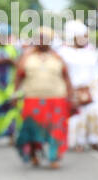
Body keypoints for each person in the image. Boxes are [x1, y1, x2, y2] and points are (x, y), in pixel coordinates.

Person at [13, 27, 76, 168]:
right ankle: (34, 154)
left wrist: (71, 97)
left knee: (56, 128)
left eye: (45, 39)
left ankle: (54, 157)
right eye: (39, 39)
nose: (42, 42)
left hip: (56, 99)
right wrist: (15, 94)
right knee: (32, 129)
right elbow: (18, 78)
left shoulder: (57, 58)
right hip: (32, 99)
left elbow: (66, 78)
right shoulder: (26, 58)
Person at [58, 20, 98, 151]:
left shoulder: (91, 52)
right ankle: (77, 143)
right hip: (72, 88)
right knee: (76, 117)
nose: (85, 38)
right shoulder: (63, 52)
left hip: (92, 89)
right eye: (82, 36)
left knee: (96, 113)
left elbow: (96, 72)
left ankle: (95, 140)